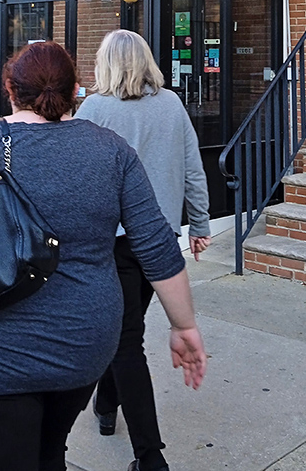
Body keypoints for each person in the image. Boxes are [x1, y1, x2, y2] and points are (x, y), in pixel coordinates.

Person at [0, 41, 206, 471]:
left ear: (10, 89)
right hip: (82, 349)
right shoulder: (111, 151)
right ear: (75, 92)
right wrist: (184, 326)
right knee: (50, 451)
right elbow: (158, 247)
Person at [77, 29, 211, 471]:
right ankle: (106, 406)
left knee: (125, 340)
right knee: (125, 333)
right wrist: (200, 223)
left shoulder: (94, 108)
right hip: (158, 241)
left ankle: (150, 457)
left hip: (111, 241)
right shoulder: (171, 104)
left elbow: (80, 176)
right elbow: (193, 166)